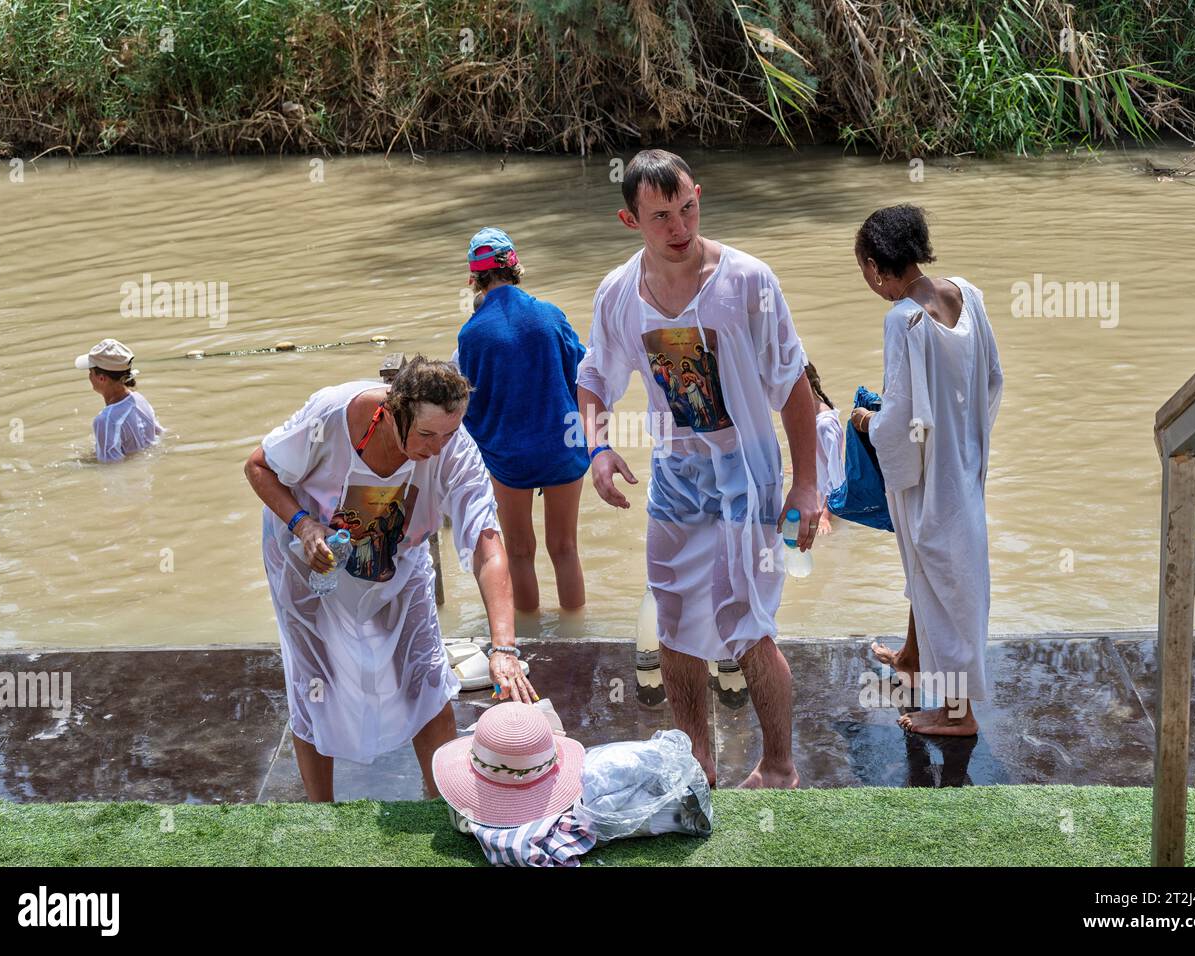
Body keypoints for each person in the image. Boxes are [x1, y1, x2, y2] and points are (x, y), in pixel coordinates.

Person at [576, 148, 821, 788]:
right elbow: (595, 379)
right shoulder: (618, 294)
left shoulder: (748, 281)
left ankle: (778, 766)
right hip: (677, 477)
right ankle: (699, 765)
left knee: (747, 625)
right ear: (631, 222)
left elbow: (792, 381)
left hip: (749, 475)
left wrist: (807, 480)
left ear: (699, 197)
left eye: (687, 208)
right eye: (661, 217)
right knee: (674, 622)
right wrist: (598, 449)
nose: (679, 228)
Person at [243, 355, 535, 801]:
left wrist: (504, 649)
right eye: (425, 435)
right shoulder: (332, 413)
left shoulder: (454, 451)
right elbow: (258, 466)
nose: (437, 448)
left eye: (449, 433)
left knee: (427, 674)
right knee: (315, 683)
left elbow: (487, 546)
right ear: (392, 412)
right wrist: (303, 524)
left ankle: (442, 801)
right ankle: (320, 812)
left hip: (398, 559)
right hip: (308, 562)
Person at [850, 204, 1003, 736]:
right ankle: (914, 659)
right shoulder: (968, 295)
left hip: (930, 474)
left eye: (865, 271)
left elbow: (896, 418)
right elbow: (991, 380)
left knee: (944, 579)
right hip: (963, 459)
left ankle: (959, 715)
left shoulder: (901, 320)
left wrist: (864, 420)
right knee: (933, 570)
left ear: (875, 266)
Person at [454, 227, 590, 613]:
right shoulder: (550, 316)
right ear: (516, 269)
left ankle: (531, 641)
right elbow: (581, 374)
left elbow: (471, 402)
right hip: (560, 446)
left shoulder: (471, 334)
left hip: (508, 454)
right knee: (565, 548)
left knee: (518, 551)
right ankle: (575, 638)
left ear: (473, 279)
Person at [74, 338, 163, 462]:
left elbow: (109, 465)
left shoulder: (105, 420)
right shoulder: (139, 399)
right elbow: (158, 434)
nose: (89, 377)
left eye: (90, 372)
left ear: (101, 378)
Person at [806, 363, 844, 536]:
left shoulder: (825, 424)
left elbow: (837, 479)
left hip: (829, 509)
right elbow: (821, 458)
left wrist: (826, 516)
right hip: (816, 502)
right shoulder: (812, 418)